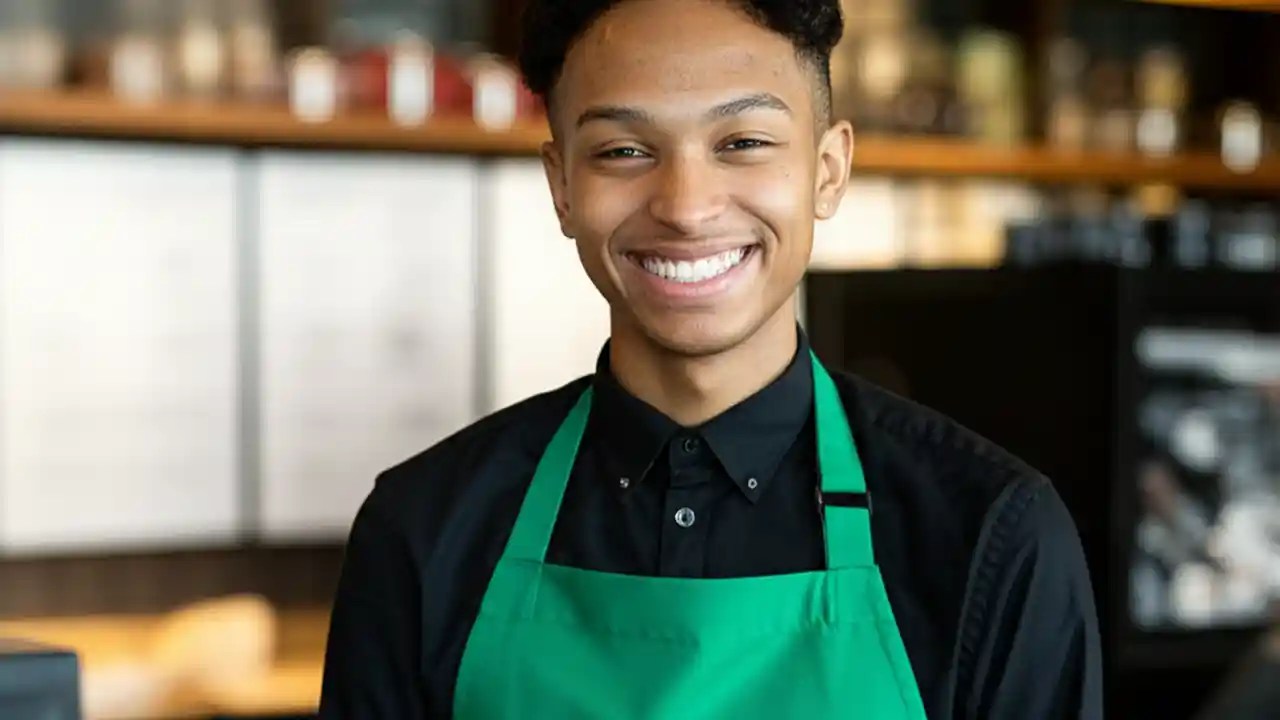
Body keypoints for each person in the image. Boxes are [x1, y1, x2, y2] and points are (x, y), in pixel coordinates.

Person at [317, 0, 1104, 718]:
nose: (686, 207)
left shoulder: (993, 538)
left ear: (827, 170)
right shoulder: (423, 532)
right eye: (624, 149)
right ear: (561, 185)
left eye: (744, 143)